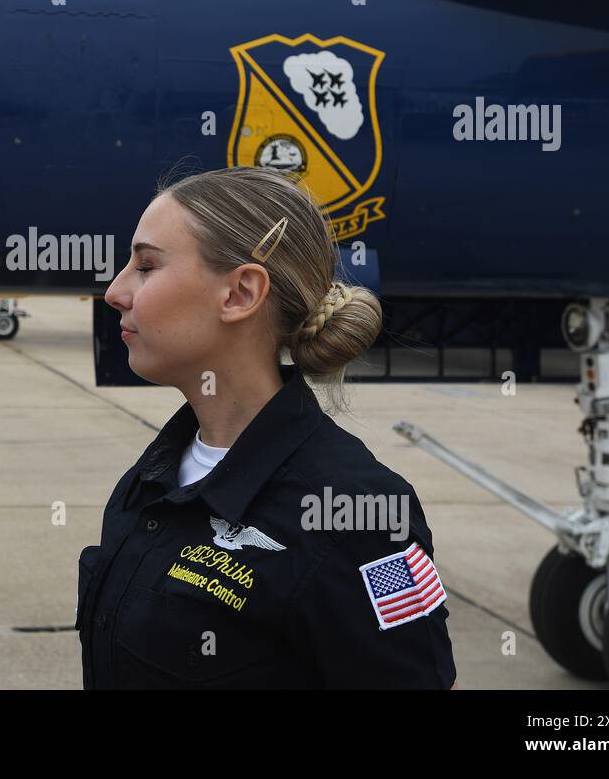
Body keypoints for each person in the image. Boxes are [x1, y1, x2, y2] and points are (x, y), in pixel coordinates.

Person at [78, 166, 457, 688]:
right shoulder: (152, 481)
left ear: (239, 293)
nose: (116, 292)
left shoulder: (355, 513)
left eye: (146, 266)